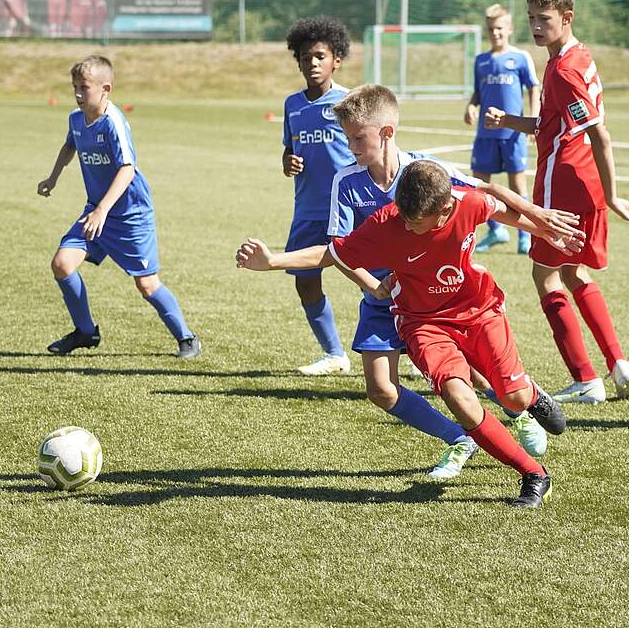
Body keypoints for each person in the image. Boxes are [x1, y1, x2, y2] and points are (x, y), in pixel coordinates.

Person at [237, 160, 574, 507]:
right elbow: (331, 253)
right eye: (405, 217)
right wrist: (273, 261)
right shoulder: (388, 224)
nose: (408, 227)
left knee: (513, 397)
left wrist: (541, 227)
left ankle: (530, 395)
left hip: (480, 310)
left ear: (445, 210)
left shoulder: (467, 203)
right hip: (423, 323)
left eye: (417, 222)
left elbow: (494, 201)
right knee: (461, 400)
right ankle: (533, 474)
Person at [328, 84, 585, 478]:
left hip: (453, 294)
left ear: (386, 133)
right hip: (393, 302)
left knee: (484, 376)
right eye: (347, 138)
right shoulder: (347, 182)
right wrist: (368, 283)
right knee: (389, 388)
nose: (351, 146)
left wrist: (540, 222)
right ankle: (464, 438)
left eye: (357, 137)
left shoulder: (428, 172)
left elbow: (483, 195)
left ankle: (519, 407)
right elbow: (335, 250)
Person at [484, 0, 629, 405]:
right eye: (532, 19)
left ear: (567, 18)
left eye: (545, 19)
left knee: (545, 274)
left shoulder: (564, 70)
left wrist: (614, 195)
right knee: (576, 273)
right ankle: (617, 364)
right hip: (584, 182)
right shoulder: (577, 55)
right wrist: (511, 122)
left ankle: (585, 378)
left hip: (566, 184)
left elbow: (599, 135)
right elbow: (553, 125)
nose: (536, 27)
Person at [37, 55, 200, 358]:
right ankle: (86, 332)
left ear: (105, 89)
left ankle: (187, 338)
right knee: (62, 264)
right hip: (96, 210)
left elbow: (127, 167)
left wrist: (102, 210)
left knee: (147, 285)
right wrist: (53, 177)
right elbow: (71, 143)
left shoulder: (113, 122)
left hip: (129, 215)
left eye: (84, 88)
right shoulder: (76, 118)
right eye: (74, 87)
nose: (77, 94)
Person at [280, 16, 357, 376]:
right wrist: (288, 161)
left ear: (336, 59)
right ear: (297, 61)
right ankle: (334, 355)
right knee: (305, 280)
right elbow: (288, 148)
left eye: (320, 56)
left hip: (349, 208)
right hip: (308, 207)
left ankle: (410, 348)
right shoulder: (292, 105)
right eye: (306, 57)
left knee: (376, 279)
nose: (313, 63)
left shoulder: (349, 102)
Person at [463, 4, 541, 254]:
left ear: (509, 29)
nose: (495, 33)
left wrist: (533, 119)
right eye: (490, 29)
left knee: (517, 186)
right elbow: (478, 92)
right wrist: (471, 106)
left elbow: (534, 87)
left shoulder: (520, 57)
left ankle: (525, 236)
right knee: (477, 185)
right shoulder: (481, 61)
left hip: (512, 133)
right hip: (486, 134)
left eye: (499, 28)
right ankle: (496, 230)